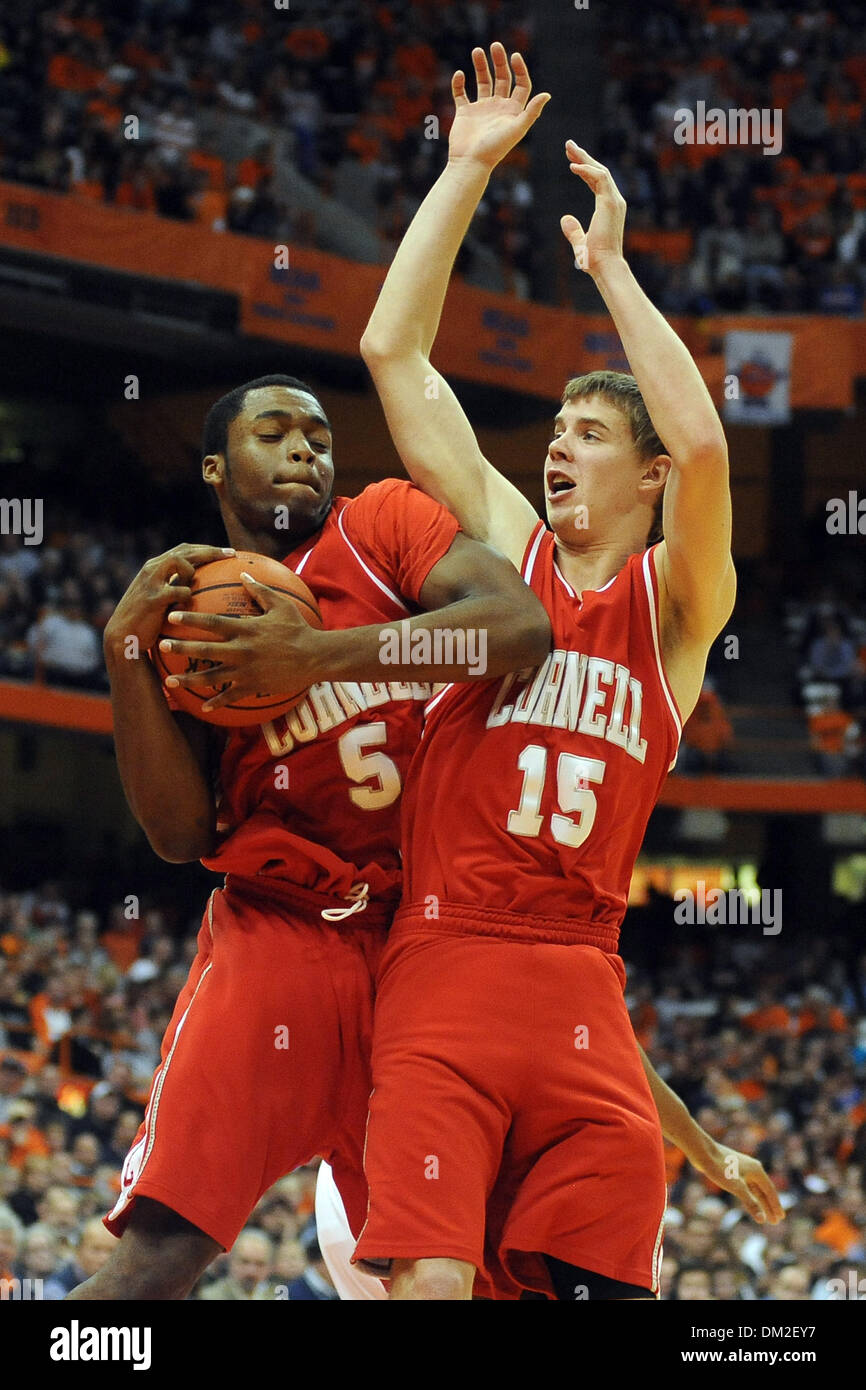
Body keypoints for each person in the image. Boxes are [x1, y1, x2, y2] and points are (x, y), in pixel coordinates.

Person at [352, 43, 773, 1300]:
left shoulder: (675, 608)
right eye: (553, 434)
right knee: (425, 1285)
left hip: (587, 989)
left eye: (588, 436)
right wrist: (465, 172)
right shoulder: (503, 552)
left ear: (639, 477)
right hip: (446, 959)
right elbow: (393, 354)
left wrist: (610, 272)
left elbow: (700, 443)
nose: (555, 452)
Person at [67, 372, 550, 1300]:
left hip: (425, 945)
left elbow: (519, 628)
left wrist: (318, 655)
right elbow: (176, 836)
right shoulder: (193, 608)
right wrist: (127, 658)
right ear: (215, 467)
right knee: (159, 1259)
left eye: (319, 437)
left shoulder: (381, 527)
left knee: (476, 1277)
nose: (305, 451)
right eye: (275, 433)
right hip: (279, 936)